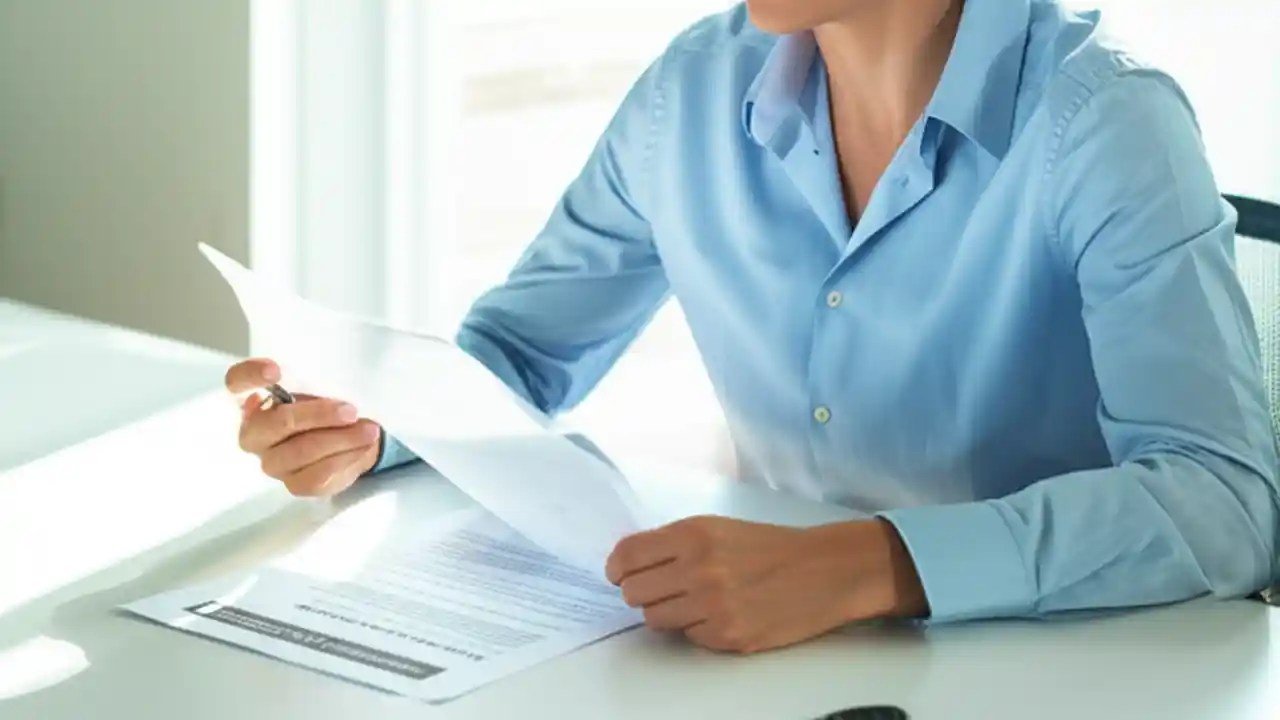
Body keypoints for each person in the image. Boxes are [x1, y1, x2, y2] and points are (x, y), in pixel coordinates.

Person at [224, 0, 1280, 653]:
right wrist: (375, 429)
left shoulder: (1105, 123)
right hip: (772, 668)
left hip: (1074, 672)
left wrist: (874, 566)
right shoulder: (689, 91)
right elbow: (518, 357)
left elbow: (1223, 502)